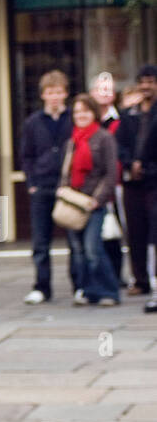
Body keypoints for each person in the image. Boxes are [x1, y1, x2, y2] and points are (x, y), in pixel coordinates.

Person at [20, 70, 74, 304]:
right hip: (42, 185)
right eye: (50, 92)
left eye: (59, 92)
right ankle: (42, 286)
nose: (54, 97)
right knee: (41, 242)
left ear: (65, 93)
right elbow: (26, 155)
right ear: (43, 95)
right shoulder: (33, 123)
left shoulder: (73, 118)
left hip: (68, 186)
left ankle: (79, 285)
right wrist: (31, 183)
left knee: (75, 240)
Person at [64, 94, 121, 306]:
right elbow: (67, 169)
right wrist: (63, 190)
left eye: (85, 111)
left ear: (94, 113)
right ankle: (87, 291)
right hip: (73, 202)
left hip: (94, 203)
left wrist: (98, 198)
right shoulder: (73, 139)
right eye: (77, 112)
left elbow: (110, 173)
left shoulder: (104, 138)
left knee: (93, 248)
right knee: (78, 251)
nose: (81, 115)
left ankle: (110, 291)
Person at [115, 64, 157, 299]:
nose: (146, 86)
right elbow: (119, 144)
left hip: (154, 180)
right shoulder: (129, 115)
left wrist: (148, 166)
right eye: (142, 81)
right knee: (135, 232)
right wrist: (131, 163)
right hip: (132, 181)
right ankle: (140, 280)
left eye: (151, 81)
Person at [89, 74, 125, 283]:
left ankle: (119, 274)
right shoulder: (87, 120)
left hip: (117, 183)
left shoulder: (121, 120)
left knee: (118, 230)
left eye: (108, 89)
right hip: (93, 183)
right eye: (99, 89)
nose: (103, 93)